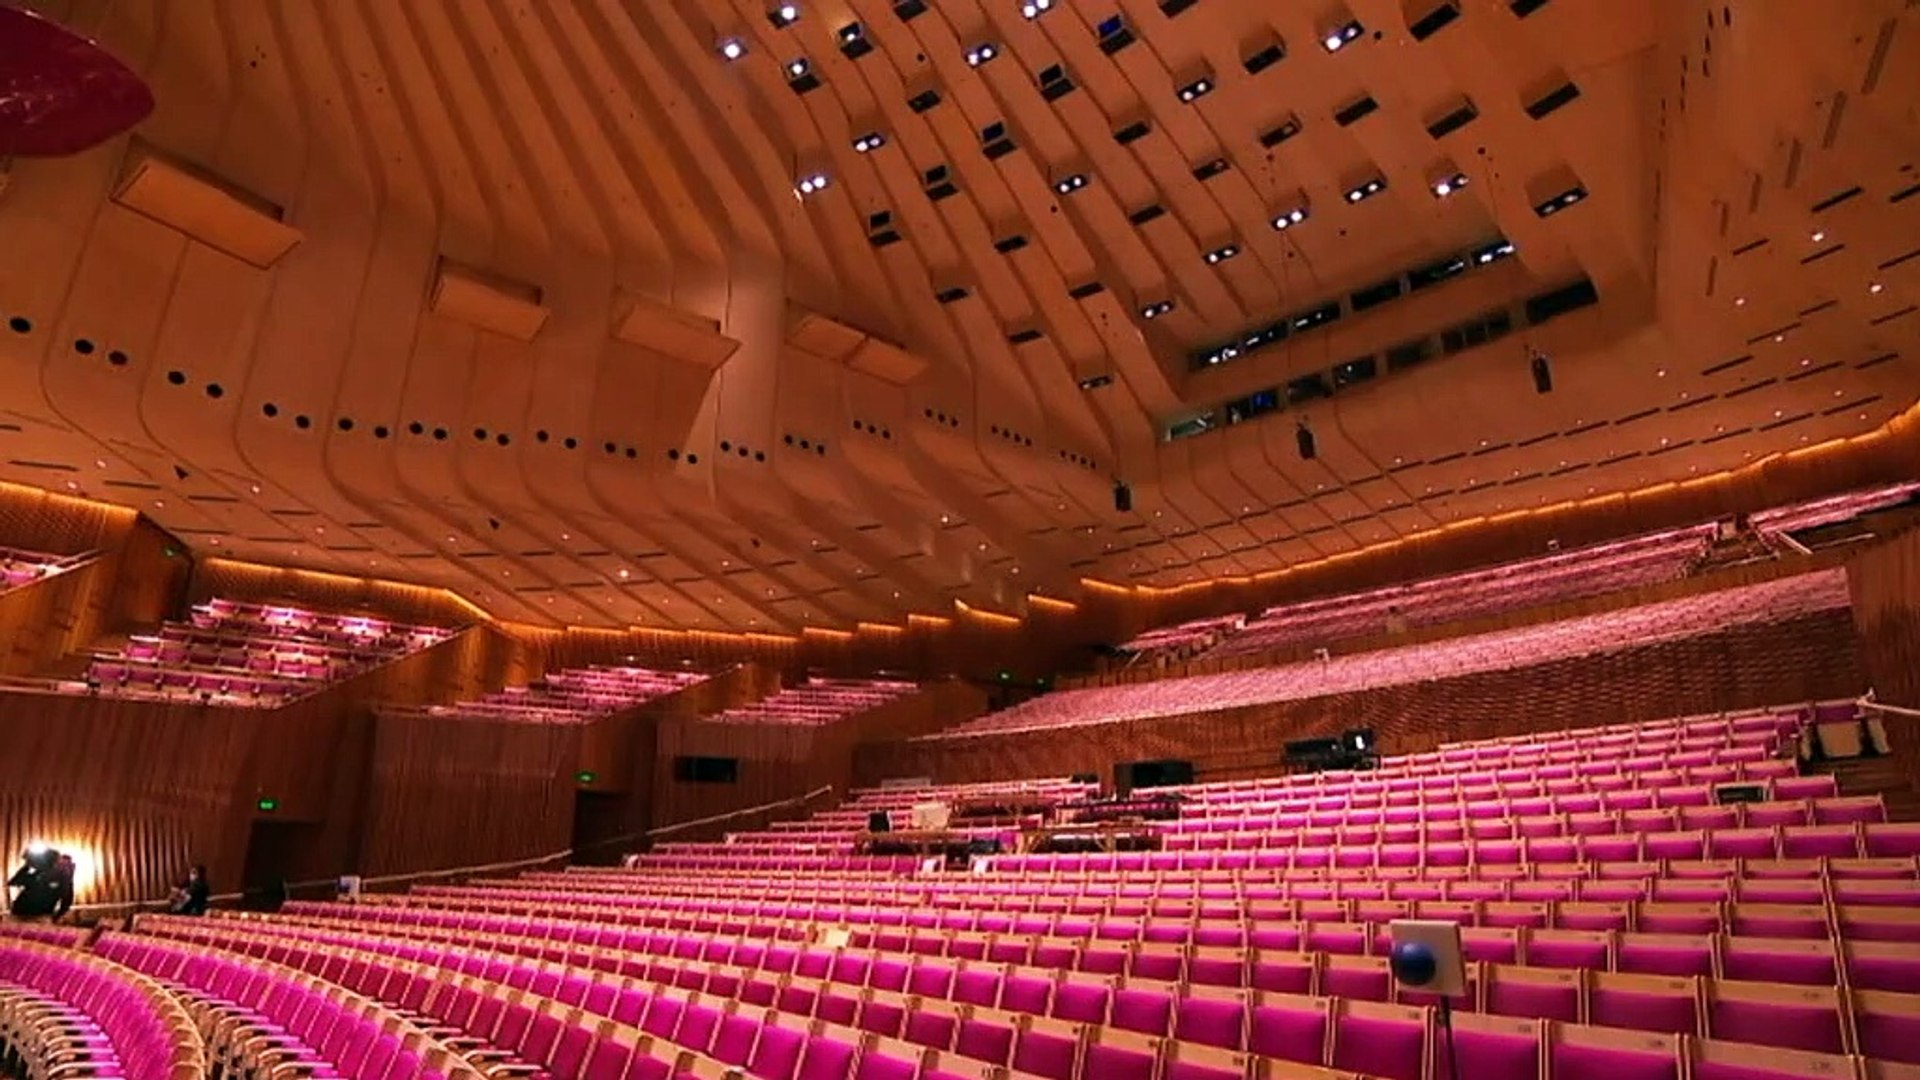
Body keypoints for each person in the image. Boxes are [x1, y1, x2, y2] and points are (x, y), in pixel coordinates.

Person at [8, 845, 62, 919]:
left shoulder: (54, 874)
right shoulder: (32, 873)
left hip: (40, 913)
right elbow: (14, 882)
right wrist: (27, 868)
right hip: (24, 911)